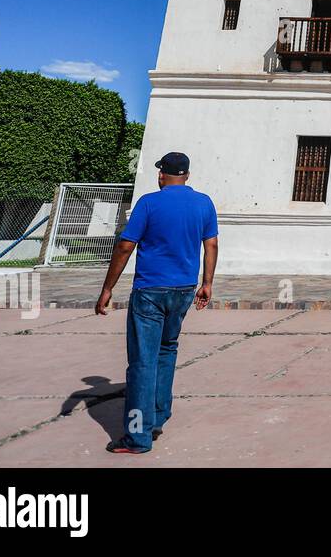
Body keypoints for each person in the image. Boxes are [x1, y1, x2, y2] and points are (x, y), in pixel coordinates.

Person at [95, 151, 218, 453]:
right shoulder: (204, 203)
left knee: (141, 363)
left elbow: (126, 246)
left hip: (150, 290)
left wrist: (107, 288)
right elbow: (211, 243)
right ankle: (158, 418)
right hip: (184, 290)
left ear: (161, 174)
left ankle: (137, 436)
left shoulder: (149, 202)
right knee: (167, 351)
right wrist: (207, 284)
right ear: (187, 175)